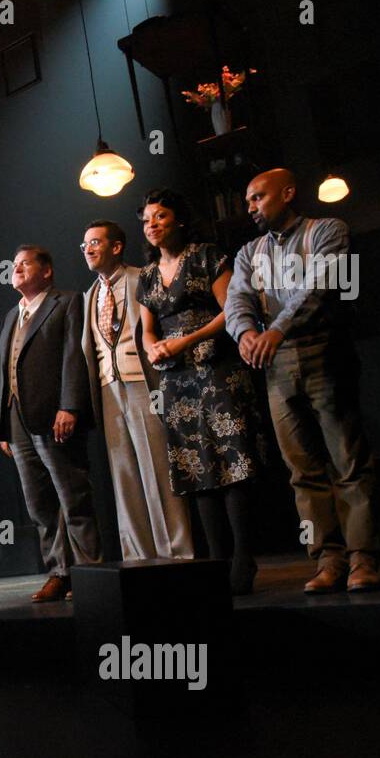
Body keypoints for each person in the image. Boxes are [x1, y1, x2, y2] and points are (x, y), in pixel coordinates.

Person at [225, 168, 380, 593]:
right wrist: (245, 333)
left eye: (258, 197)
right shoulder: (248, 252)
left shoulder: (327, 230)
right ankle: (327, 561)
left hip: (324, 352)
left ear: (288, 193)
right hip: (276, 365)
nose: (251, 206)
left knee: (348, 462)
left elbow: (319, 285)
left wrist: (276, 328)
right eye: (248, 200)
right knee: (302, 473)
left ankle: (363, 561)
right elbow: (237, 296)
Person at [136, 188, 262, 594]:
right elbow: (148, 326)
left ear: (180, 220)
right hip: (175, 378)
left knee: (231, 458)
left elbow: (231, 311)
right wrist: (154, 346)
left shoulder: (208, 255)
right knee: (196, 465)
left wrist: (185, 340)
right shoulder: (147, 274)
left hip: (217, 366)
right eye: (147, 220)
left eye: (160, 217)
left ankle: (244, 556)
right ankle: (217, 560)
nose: (152, 225)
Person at [80, 220, 195, 561]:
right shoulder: (89, 294)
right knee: (124, 476)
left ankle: (176, 553)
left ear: (116, 247)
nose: (88, 249)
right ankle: (139, 556)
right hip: (107, 388)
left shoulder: (142, 277)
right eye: (84, 244)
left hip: (144, 384)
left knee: (157, 469)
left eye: (95, 242)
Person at [0, 245, 102, 602]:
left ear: (47, 271)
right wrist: (3, 428)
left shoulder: (67, 301)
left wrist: (69, 405)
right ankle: (59, 571)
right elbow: (5, 372)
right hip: (18, 421)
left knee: (72, 495)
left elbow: (75, 354)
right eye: (15, 265)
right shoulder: (13, 314)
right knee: (39, 503)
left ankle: (90, 570)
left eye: (26, 263)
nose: (18, 269)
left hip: (54, 415)